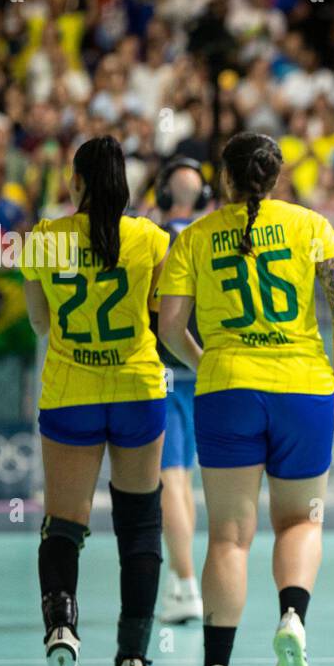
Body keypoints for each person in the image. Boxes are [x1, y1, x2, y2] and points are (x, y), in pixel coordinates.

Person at [157, 132, 334, 666]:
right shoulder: (311, 225)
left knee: (228, 536)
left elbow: (170, 325)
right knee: (300, 522)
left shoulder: (195, 237)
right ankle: (292, 617)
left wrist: (211, 362)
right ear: (276, 176)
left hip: (227, 391)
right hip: (304, 388)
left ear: (225, 178)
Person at [21, 135, 194, 666]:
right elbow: (160, 317)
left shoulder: (43, 241)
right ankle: (134, 662)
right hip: (137, 389)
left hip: (70, 392)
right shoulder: (150, 238)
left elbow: (41, 325)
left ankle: (61, 631)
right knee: (140, 524)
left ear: (75, 183)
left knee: (64, 525)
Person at [149, 158, 212, 624]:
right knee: (184, 478)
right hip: (209, 370)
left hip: (167, 368)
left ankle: (186, 582)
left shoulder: (155, 238)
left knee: (170, 476)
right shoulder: (214, 237)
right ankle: (184, 578)